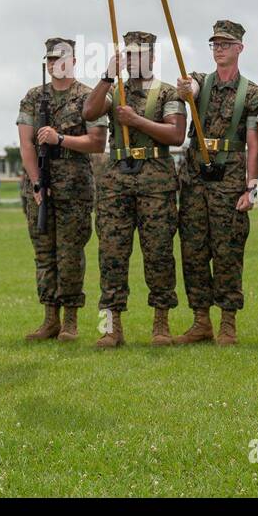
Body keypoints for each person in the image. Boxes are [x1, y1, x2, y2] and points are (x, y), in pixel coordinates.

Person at [82, 30, 186, 348]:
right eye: (127, 54)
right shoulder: (117, 92)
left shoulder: (167, 93)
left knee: (158, 254)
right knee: (112, 255)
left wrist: (136, 121)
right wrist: (105, 77)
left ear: (152, 58)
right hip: (116, 181)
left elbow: (175, 135)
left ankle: (161, 325)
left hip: (156, 180)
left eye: (138, 54)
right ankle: (111, 327)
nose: (132, 59)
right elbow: (89, 112)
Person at [173, 19, 258, 347]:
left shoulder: (252, 93)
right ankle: (201, 321)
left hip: (230, 177)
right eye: (215, 44)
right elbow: (189, 89)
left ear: (240, 48)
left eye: (226, 44)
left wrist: (252, 186)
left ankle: (227, 322)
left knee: (228, 250)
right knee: (193, 249)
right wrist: (186, 90)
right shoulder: (201, 81)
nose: (220, 49)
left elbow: (254, 142)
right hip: (195, 178)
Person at [15, 38, 108, 342]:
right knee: (44, 253)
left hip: (75, 183)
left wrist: (60, 139)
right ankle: (49, 318)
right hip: (40, 184)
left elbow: (96, 142)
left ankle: (70, 320)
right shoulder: (33, 97)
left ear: (74, 60)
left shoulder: (88, 97)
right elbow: (26, 142)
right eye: (51, 59)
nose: (56, 64)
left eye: (62, 58)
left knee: (70, 252)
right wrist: (36, 182)